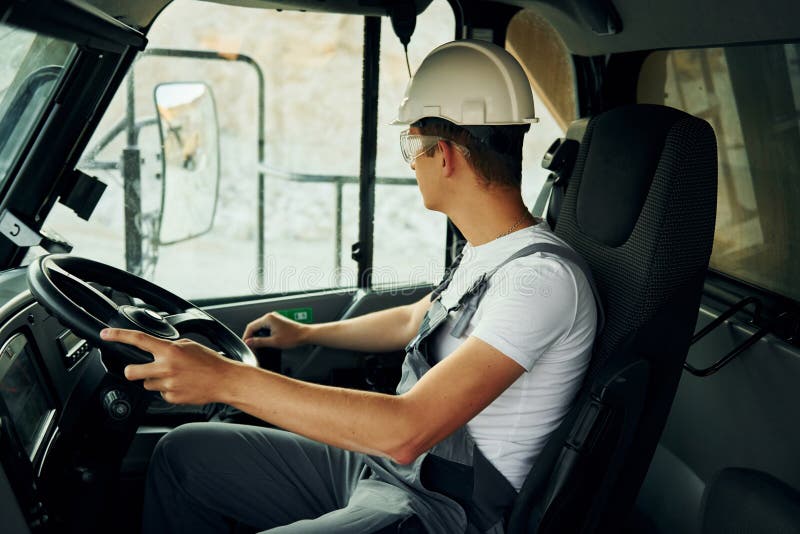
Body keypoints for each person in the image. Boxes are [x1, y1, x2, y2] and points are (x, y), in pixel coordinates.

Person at [102, 39, 598, 533]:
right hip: (389, 470)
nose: (411, 162)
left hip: (439, 508)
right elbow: (412, 319)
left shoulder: (540, 281)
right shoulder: (490, 251)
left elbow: (407, 429)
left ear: (443, 154)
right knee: (184, 456)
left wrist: (225, 379)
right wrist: (308, 333)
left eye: (411, 146)